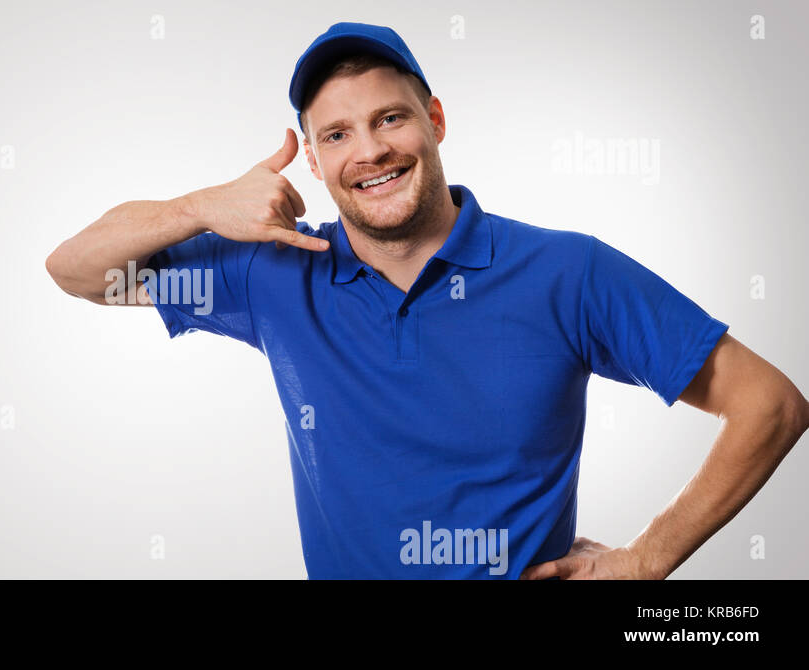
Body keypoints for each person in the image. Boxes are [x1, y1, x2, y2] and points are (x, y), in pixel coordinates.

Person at [44, 22, 809, 579]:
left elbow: (769, 404)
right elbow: (75, 269)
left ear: (434, 121)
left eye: (389, 119)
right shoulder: (272, 271)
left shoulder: (566, 273)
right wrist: (203, 205)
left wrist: (646, 561)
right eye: (336, 135)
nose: (369, 151)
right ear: (313, 160)